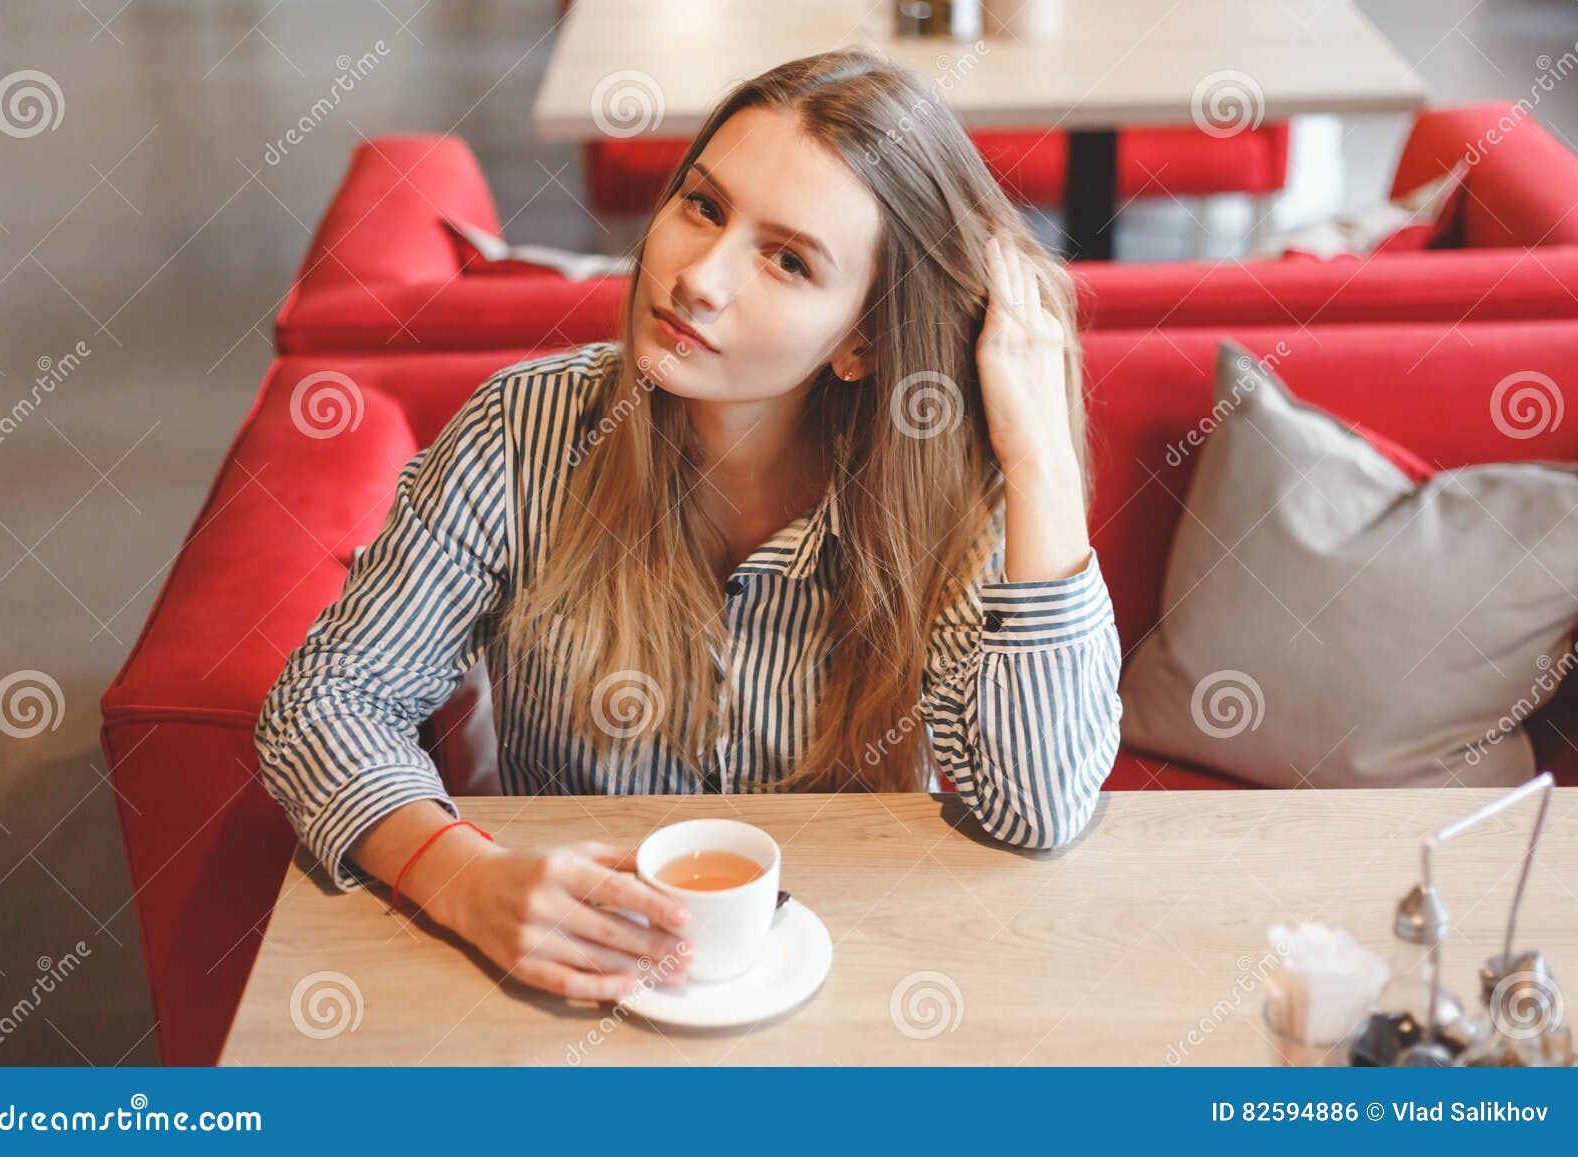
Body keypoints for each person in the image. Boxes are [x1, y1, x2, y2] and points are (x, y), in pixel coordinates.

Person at [254, 47, 1122, 1003]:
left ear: (863, 340)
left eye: (788, 260)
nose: (699, 279)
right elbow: (327, 699)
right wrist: (461, 875)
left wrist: (1037, 461)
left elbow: (1037, 807)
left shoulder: (943, 489)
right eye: (703, 206)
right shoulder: (523, 430)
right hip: (575, 983)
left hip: (844, 989)